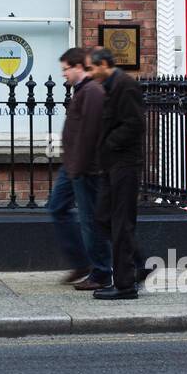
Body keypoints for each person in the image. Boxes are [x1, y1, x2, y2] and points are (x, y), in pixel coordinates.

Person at [46, 48, 113, 290]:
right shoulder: (82, 90)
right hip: (72, 164)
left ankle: (102, 272)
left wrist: (80, 167)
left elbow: (91, 134)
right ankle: (82, 262)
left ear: (77, 67)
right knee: (57, 207)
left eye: (65, 69)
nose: (63, 74)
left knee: (90, 220)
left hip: (84, 167)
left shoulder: (92, 90)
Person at [90, 47, 145, 301]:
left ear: (103, 64)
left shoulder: (126, 85)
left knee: (121, 224)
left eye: (92, 68)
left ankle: (125, 285)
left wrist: (110, 143)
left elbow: (135, 125)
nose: (90, 74)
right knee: (103, 218)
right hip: (111, 165)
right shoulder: (110, 86)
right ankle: (139, 264)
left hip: (125, 164)